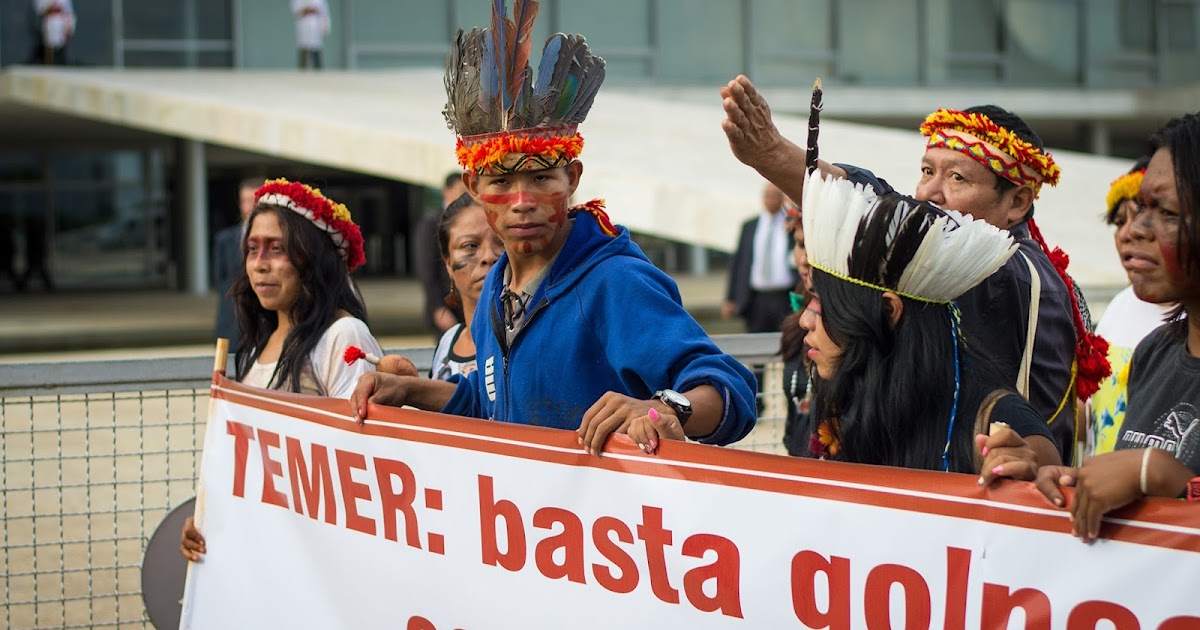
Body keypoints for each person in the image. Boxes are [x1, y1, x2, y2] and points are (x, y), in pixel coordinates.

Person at [351, 0, 757, 455]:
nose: (523, 202)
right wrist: (410, 391)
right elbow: (497, 411)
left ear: (573, 179)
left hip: (610, 523)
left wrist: (664, 408)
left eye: (542, 177)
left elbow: (729, 389)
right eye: (502, 181)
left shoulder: (614, 281)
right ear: (474, 187)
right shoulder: (494, 288)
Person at [720, 75, 1106, 466]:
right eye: (926, 171)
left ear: (1018, 201)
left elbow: (880, 219)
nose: (927, 193)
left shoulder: (1010, 269)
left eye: (956, 177)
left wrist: (772, 154)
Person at [797, 171, 1059, 478]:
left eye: (822, 302)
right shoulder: (838, 395)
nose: (805, 319)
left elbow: (1048, 478)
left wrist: (1025, 471)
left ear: (888, 311)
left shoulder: (995, 422)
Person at [181, 177, 381, 561]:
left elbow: (360, 466)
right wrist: (209, 519)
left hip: (321, 560)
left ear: (312, 257)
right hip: (265, 555)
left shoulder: (344, 336)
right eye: (252, 249)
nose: (259, 265)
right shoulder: (257, 346)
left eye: (277, 249)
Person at [1037, 112, 1200, 542]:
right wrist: (1075, 483)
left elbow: (1158, 479)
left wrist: (1164, 476)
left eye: (1164, 211)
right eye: (1139, 208)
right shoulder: (1156, 353)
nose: (1136, 230)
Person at [1086, 159, 1175, 457]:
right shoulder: (1119, 305)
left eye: (1141, 216)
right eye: (1118, 221)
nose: (1129, 233)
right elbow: (1097, 414)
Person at [429, 192, 503, 380]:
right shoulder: (447, 343)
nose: (488, 257)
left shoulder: (526, 343)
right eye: (470, 246)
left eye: (502, 243)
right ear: (448, 264)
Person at [722, 182, 799, 333]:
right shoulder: (750, 226)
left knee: (789, 340)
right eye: (767, 196)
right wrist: (730, 298)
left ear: (782, 198)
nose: (771, 200)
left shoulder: (791, 224)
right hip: (757, 300)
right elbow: (738, 263)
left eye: (775, 196)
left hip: (785, 297)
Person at [415, 173, 469, 341]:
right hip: (447, 309)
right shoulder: (432, 222)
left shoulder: (472, 218)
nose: (467, 196)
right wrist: (437, 307)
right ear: (446, 191)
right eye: (462, 191)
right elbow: (426, 270)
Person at [212, 178, 260, 347]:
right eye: (245, 201)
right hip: (231, 324)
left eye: (255, 201)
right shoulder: (224, 240)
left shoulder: (278, 240)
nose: (250, 207)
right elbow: (220, 280)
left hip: (263, 324)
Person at [291, 0, 330, 70]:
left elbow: (324, 11)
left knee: (316, 45)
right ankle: (303, 68)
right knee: (303, 45)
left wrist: (325, 25)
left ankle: (318, 68)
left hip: (316, 22)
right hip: (303, 22)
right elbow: (295, 10)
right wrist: (306, 10)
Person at [34, 0, 74, 66]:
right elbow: (39, 9)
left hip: (61, 20)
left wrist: (69, 24)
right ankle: (49, 63)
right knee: (49, 44)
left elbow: (68, 10)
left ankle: (61, 63)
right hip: (49, 19)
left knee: (61, 44)